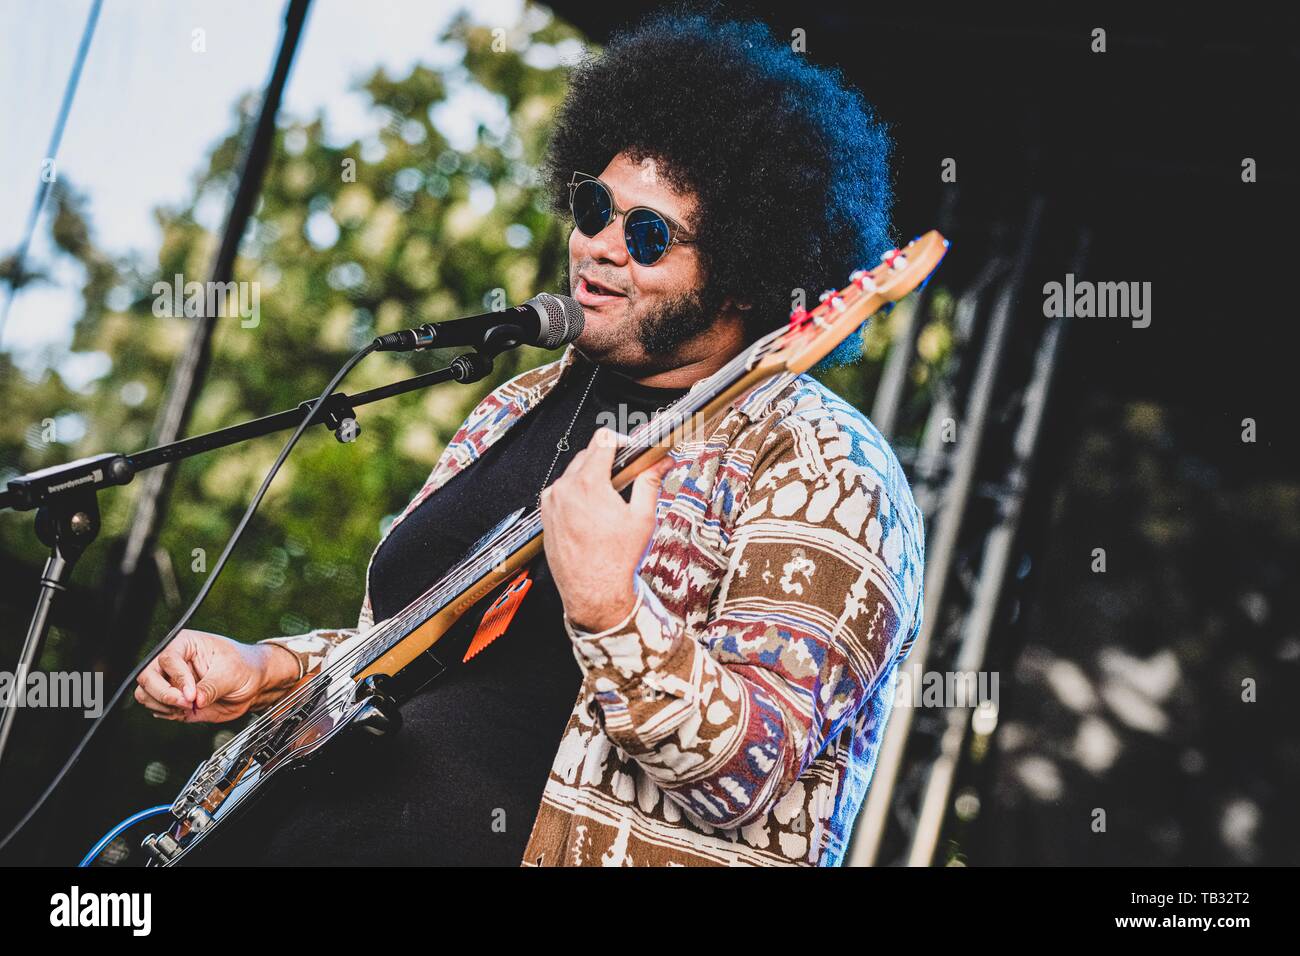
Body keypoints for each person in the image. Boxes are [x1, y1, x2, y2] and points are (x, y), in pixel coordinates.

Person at [133, 11, 923, 866]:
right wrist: (268, 668)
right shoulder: (516, 403)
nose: (599, 247)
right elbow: (400, 653)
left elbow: (753, 775)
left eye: (648, 233)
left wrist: (610, 611)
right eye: (594, 208)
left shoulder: (823, 461)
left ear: (745, 269)